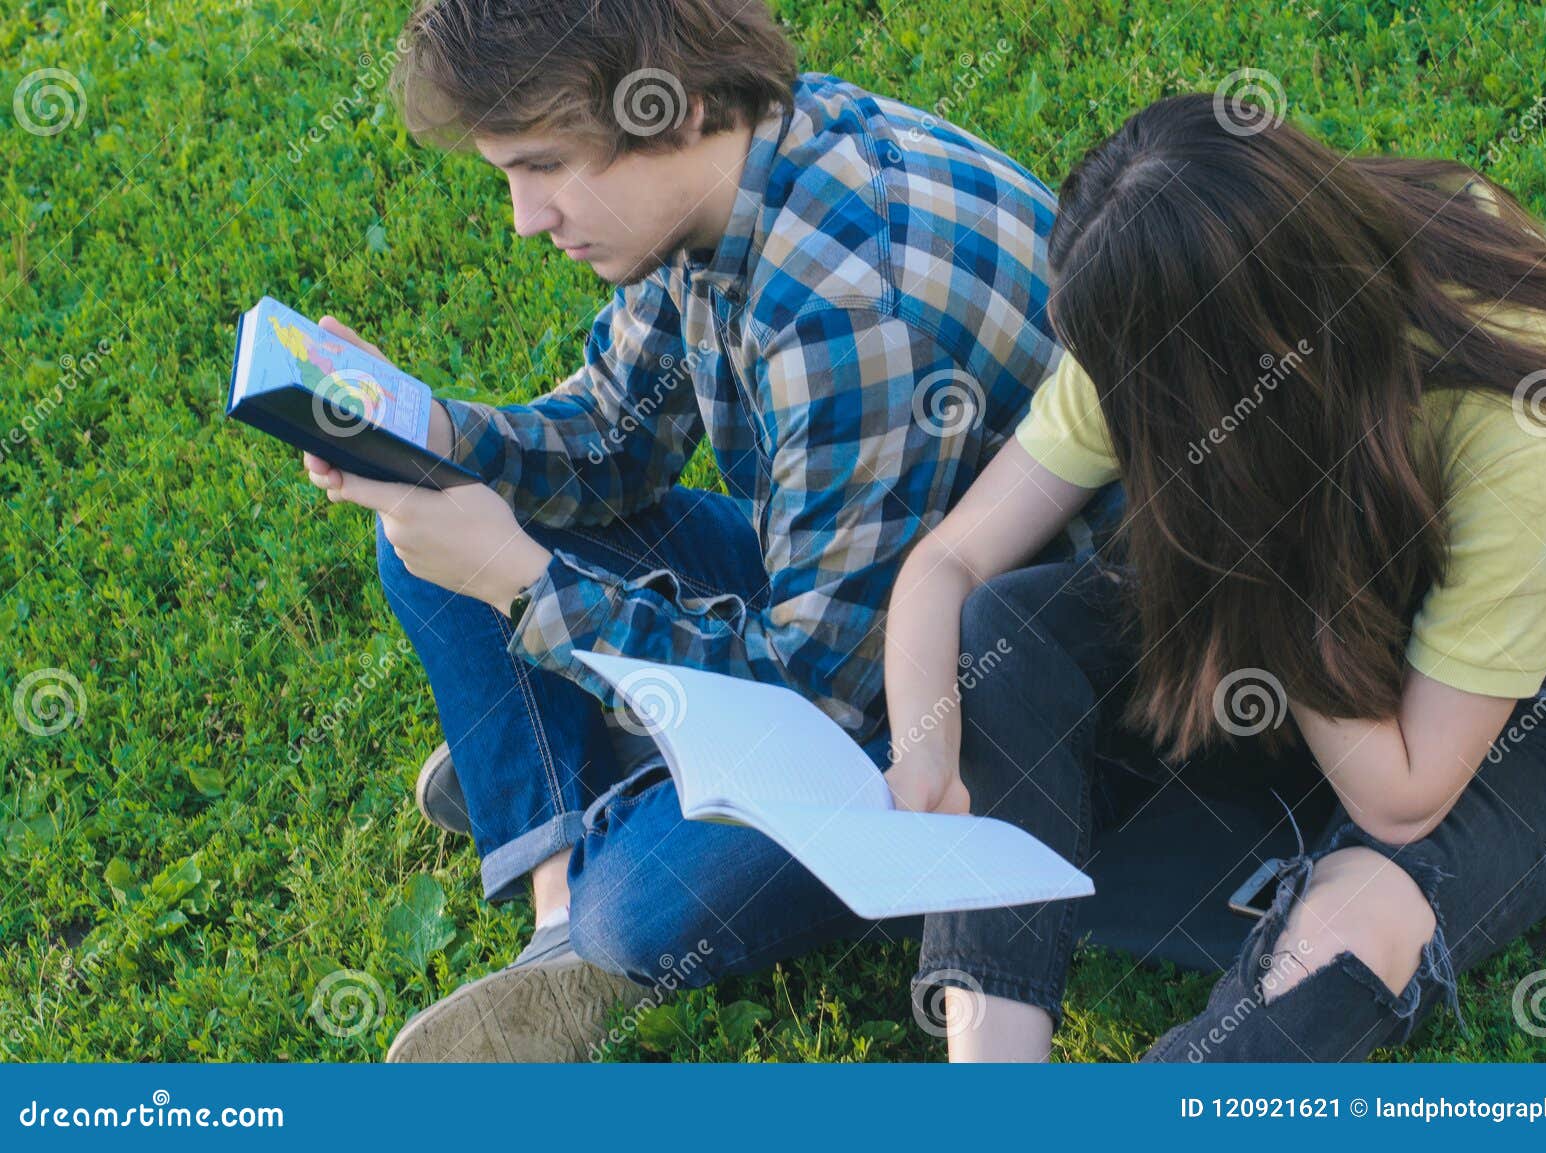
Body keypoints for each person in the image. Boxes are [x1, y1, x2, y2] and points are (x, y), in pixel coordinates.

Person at [302, 0, 1099, 1061]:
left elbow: (815, 694)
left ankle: (583, 807)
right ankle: (558, 892)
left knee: (639, 909)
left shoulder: (844, 307)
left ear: (664, 108)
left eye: (544, 166)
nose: (525, 218)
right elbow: (612, 440)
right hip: (836, 575)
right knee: (421, 506)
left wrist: (519, 582)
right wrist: (429, 429)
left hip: (963, 686)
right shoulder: (738, 173)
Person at [884, 91, 1546, 1061]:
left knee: (1364, 920)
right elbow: (953, 560)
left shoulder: (1528, 446)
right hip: (1304, 610)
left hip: (1527, 688)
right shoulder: (1168, 298)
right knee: (1010, 628)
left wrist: (1260, 547)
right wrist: (926, 748)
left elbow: (1403, 795)